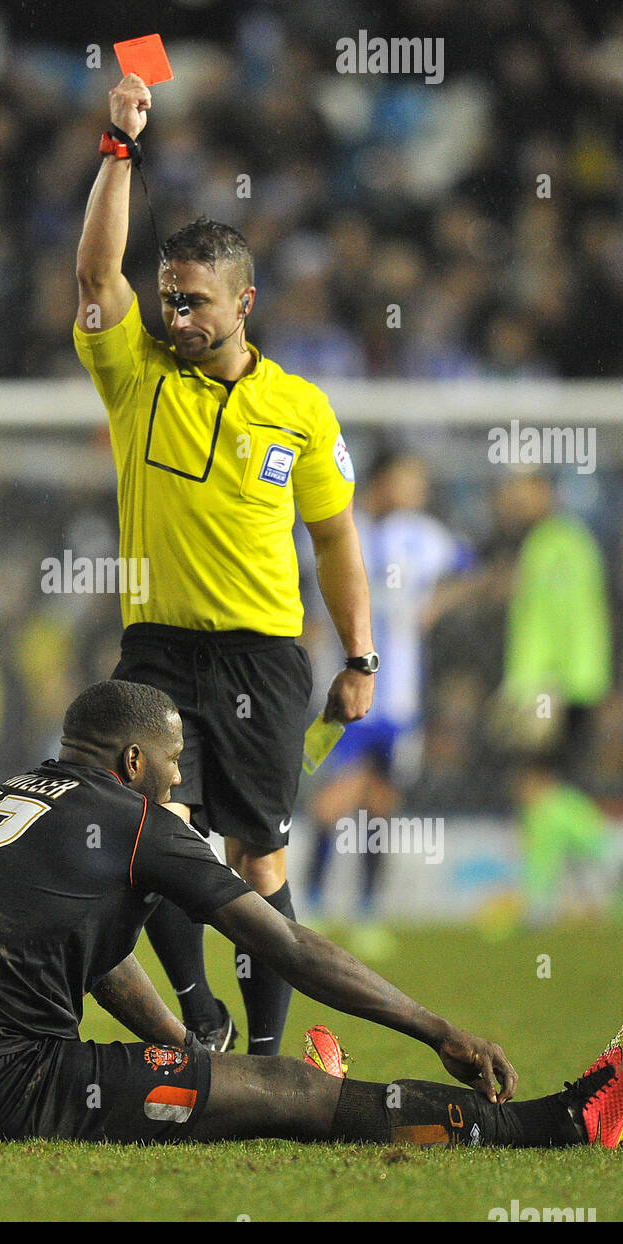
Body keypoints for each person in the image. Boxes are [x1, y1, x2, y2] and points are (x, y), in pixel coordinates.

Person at [0, 679, 623, 1150]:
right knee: (294, 1091)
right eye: (176, 759)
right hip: (6, 1089)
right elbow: (288, 945)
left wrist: (187, 1052)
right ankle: (561, 1123)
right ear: (134, 764)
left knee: (248, 1086)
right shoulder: (138, 819)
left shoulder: (16, 793)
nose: (184, 775)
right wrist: (440, 1029)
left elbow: (98, 956)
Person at [73, 72, 375, 1056]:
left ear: (244, 301)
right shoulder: (137, 378)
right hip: (157, 652)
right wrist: (119, 148)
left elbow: (334, 538)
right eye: (168, 300)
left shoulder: (301, 408)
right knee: (146, 835)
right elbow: (94, 275)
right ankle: (198, 1014)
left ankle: (262, 1052)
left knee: (259, 858)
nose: (177, 317)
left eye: (196, 302)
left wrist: (359, 657)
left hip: (263, 659)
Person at [306, 451, 469, 957]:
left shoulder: (421, 535)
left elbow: (472, 567)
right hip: (348, 693)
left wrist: (437, 606)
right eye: (409, 478)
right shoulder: (340, 525)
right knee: (337, 799)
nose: (418, 488)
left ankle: (367, 911)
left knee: (381, 804)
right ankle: (310, 902)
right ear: (383, 481)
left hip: (399, 700)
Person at [492, 472, 613, 922]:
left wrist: (549, 686)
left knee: (534, 787)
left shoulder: (558, 542)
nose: (513, 499)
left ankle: (610, 861)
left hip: (555, 686)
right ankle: (543, 898)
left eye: (521, 489)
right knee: (541, 789)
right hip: (557, 682)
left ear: (544, 491)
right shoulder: (553, 541)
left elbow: (565, 619)